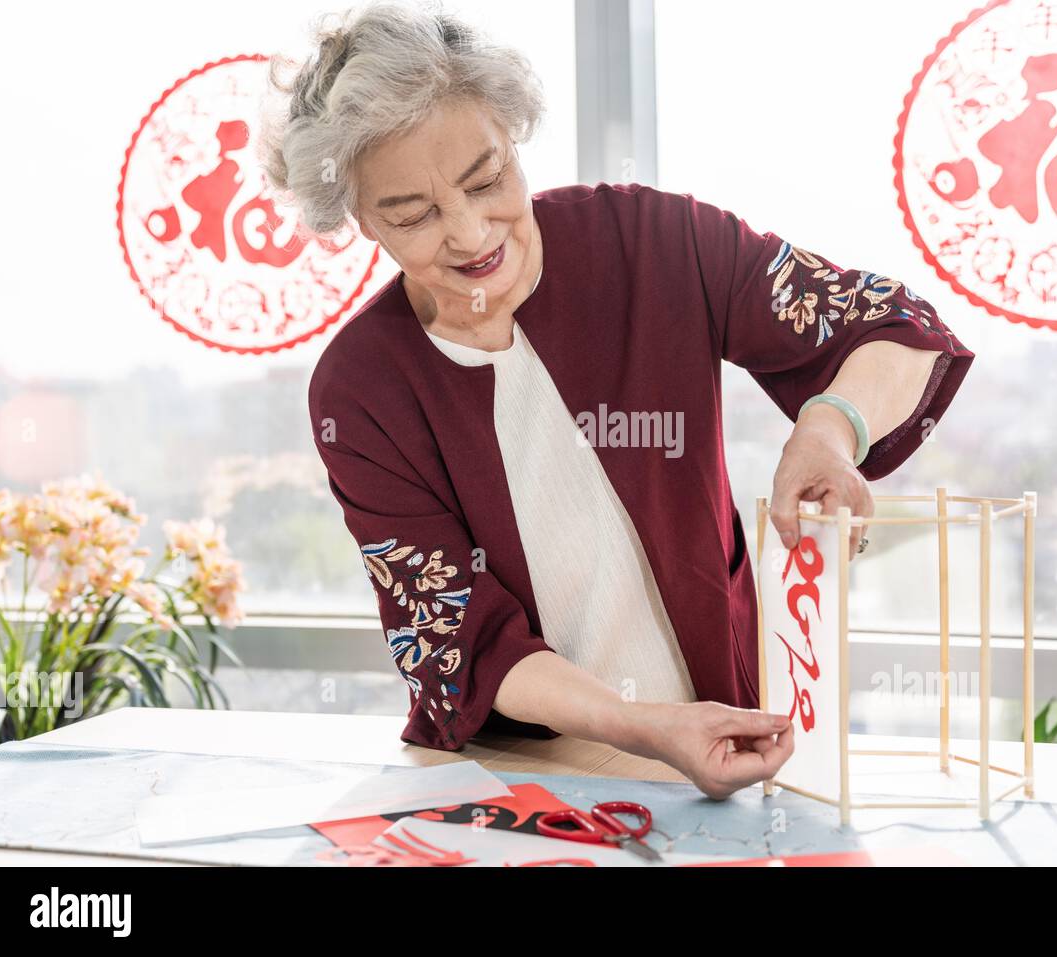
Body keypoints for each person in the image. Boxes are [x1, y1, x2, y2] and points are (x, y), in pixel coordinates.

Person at [259, 2, 974, 799]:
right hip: (516, 778)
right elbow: (460, 636)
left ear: (512, 133)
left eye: (487, 179)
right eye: (414, 214)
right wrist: (645, 728)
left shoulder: (649, 241)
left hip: (727, 749)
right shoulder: (360, 389)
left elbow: (893, 325)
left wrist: (831, 427)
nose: (468, 233)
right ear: (358, 217)